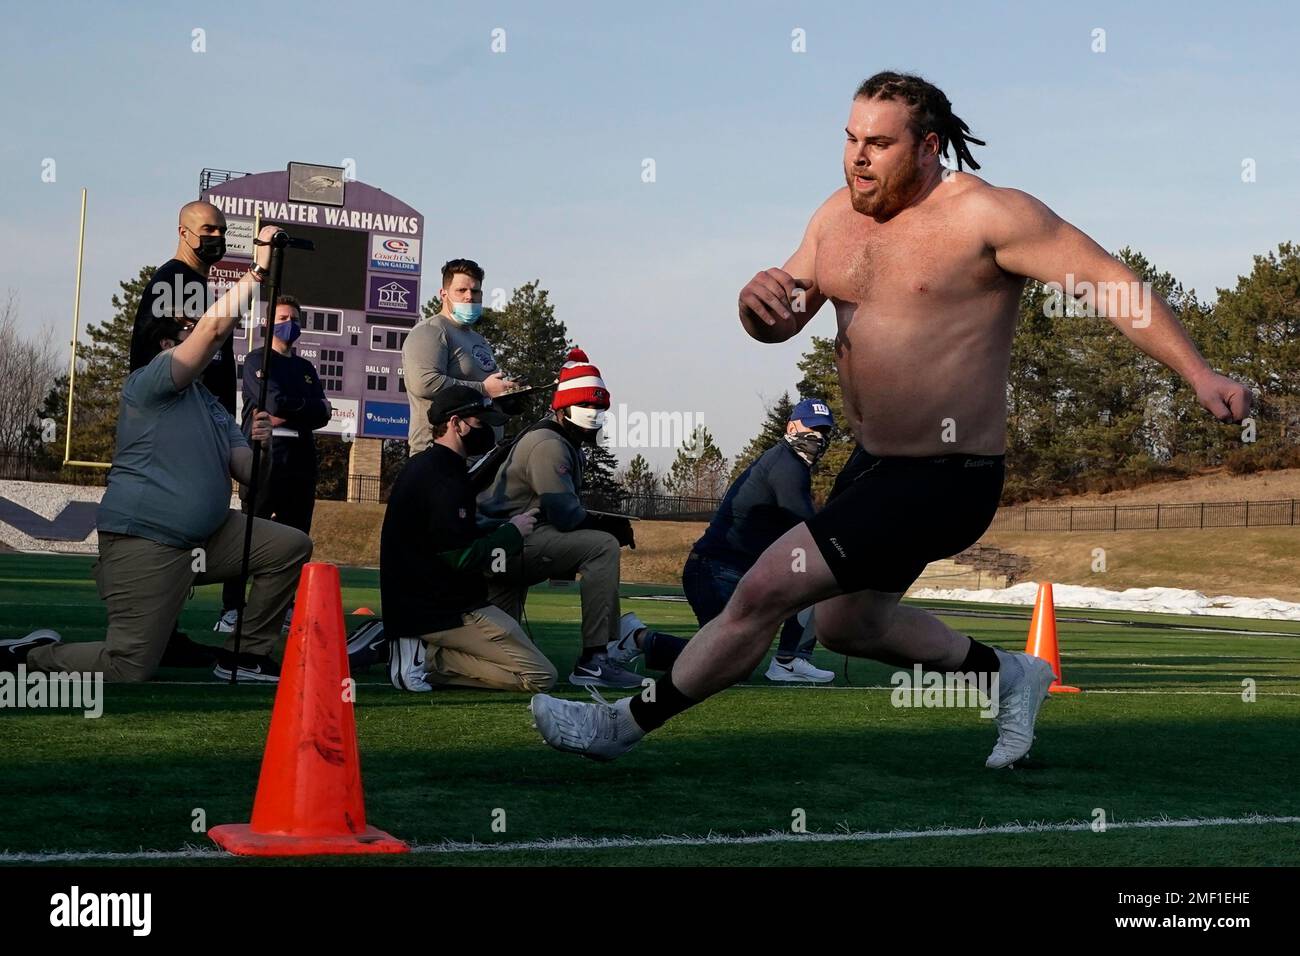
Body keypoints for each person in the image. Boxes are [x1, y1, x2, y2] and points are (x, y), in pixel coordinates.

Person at [529, 71, 1252, 768]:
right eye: (850, 139)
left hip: (949, 475)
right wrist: (756, 308)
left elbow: (1111, 285)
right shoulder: (833, 218)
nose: (857, 157)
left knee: (764, 589)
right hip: (872, 468)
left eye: (878, 143)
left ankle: (617, 726)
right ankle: (1010, 676)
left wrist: (1198, 373)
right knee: (850, 626)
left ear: (929, 146)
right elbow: (782, 319)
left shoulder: (987, 216)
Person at [0, 226, 314, 683]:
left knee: (290, 546)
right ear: (168, 344)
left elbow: (248, 473)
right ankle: (32, 658)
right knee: (128, 667)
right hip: (147, 542)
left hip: (206, 540)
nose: (202, 339)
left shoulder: (210, 405)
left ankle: (243, 655)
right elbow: (210, 330)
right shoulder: (152, 381)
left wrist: (262, 450)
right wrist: (258, 274)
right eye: (186, 331)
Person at [610, 398, 838, 684]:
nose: (818, 435)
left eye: (824, 430)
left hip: (730, 570)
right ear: (791, 426)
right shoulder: (788, 465)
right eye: (812, 427)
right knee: (724, 663)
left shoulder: (785, 462)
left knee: (729, 660)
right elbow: (807, 527)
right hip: (716, 571)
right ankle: (637, 638)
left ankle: (790, 659)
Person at [478, 348, 644, 689]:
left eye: (599, 407)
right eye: (586, 405)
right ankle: (595, 660)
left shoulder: (554, 438)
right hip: (508, 544)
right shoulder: (550, 445)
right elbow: (566, 517)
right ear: (562, 406)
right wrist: (607, 525)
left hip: (494, 547)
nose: (594, 413)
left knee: (503, 656)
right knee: (602, 546)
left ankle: (423, 653)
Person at [377, 385, 555, 693]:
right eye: (479, 421)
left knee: (528, 666)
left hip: (425, 603)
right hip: (440, 609)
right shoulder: (445, 476)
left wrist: (500, 527)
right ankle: (427, 656)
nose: (486, 430)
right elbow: (459, 555)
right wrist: (511, 533)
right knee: (540, 676)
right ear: (456, 423)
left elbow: (448, 536)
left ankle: (417, 646)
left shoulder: (430, 466)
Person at [127, 200, 243, 667]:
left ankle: (166, 630)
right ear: (183, 230)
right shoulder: (175, 279)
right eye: (206, 229)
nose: (215, 236)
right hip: (174, 423)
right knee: (172, 526)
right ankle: (155, 633)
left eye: (221, 229)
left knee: (192, 524)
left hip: (199, 421)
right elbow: (167, 351)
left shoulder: (196, 283)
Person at [214, 294, 332, 632]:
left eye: (294, 317)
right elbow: (273, 401)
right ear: (268, 323)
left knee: (295, 540)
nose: (289, 323)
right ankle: (232, 610)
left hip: (301, 463)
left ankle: (283, 609)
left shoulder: (306, 368)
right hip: (264, 461)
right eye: (282, 317)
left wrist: (299, 410)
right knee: (249, 536)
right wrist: (305, 408)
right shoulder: (256, 360)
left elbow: (323, 412)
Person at [402, 258, 518, 454]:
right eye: (461, 290)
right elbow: (425, 383)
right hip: (438, 454)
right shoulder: (430, 331)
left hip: (479, 456)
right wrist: (483, 388)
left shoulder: (478, 339)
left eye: (475, 291)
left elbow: (489, 389)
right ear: (443, 294)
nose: (469, 297)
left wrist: (509, 393)